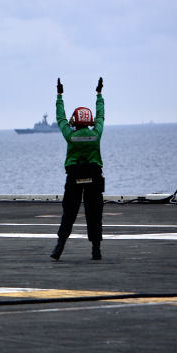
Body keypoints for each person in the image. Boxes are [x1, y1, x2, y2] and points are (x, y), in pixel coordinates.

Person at [50, 77, 105, 261]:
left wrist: (59, 96)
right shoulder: (96, 134)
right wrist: (99, 95)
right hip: (94, 177)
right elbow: (101, 116)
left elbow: (60, 118)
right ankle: (96, 250)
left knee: (69, 213)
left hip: (74, 178)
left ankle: (59, 247)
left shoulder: (71, 136)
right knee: (94, 213)